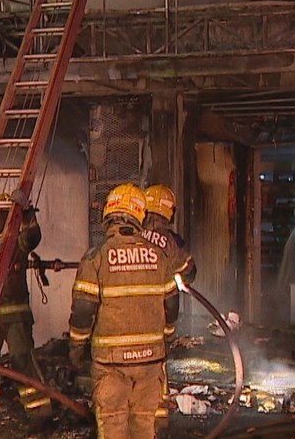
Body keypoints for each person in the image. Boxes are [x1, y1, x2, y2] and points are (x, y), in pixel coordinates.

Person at [68, 183, 178, 439]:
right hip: (151, 362)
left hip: (111, 364)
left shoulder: (96, 258)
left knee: (114, 425)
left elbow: (83, 311)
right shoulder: (159, 256)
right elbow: (172, 304)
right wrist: (167, 338)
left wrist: (76, 348)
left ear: (108, 214)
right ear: (140, 215)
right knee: (143, 425)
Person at [0, 200, 52, 433]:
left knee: (22, 362)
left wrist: (29, 216)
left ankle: (40, 413)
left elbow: (32, 238)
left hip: (14, 315)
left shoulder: (15, 243)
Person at [141, 183, 196, 430]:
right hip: (158, 318)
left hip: (126, 318)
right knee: (156, 367)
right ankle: (158, 422)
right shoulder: (171, 242)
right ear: (167, 211)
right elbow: (190, 272)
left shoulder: (130, 237)